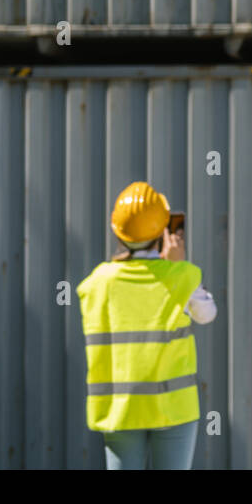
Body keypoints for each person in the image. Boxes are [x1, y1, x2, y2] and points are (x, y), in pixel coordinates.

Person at [77, 182, 217, 470]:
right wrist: (176, 267)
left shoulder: (97, 283)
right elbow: (207, 313)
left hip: (121, 410)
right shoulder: (180, 275)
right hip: (173, 409)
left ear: (117, 230)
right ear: (163, 230)